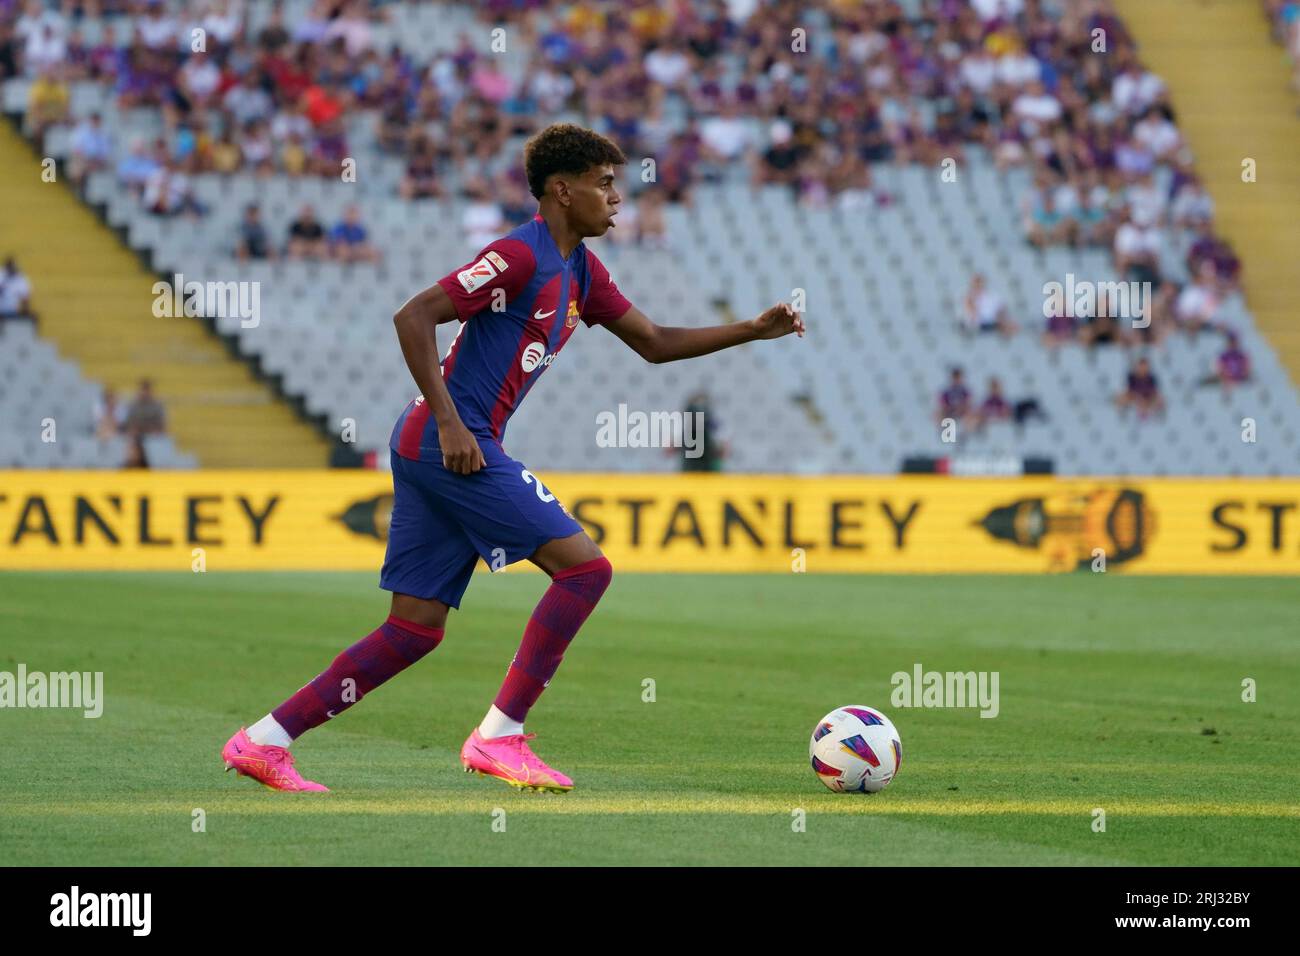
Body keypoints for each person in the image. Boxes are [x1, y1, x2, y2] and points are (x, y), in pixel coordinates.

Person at [221, 124, 805, 793]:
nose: (618, 197)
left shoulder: (581, 269)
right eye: (605, 183)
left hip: (436, 448)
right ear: (562, 191)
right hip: (451, 447)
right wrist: (451, 423)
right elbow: (414, 316)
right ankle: (499, 736)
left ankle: (263, 741)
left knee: (414, 630)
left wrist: (751, 332)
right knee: (585, 571)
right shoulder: (518, 256)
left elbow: (654, 341)